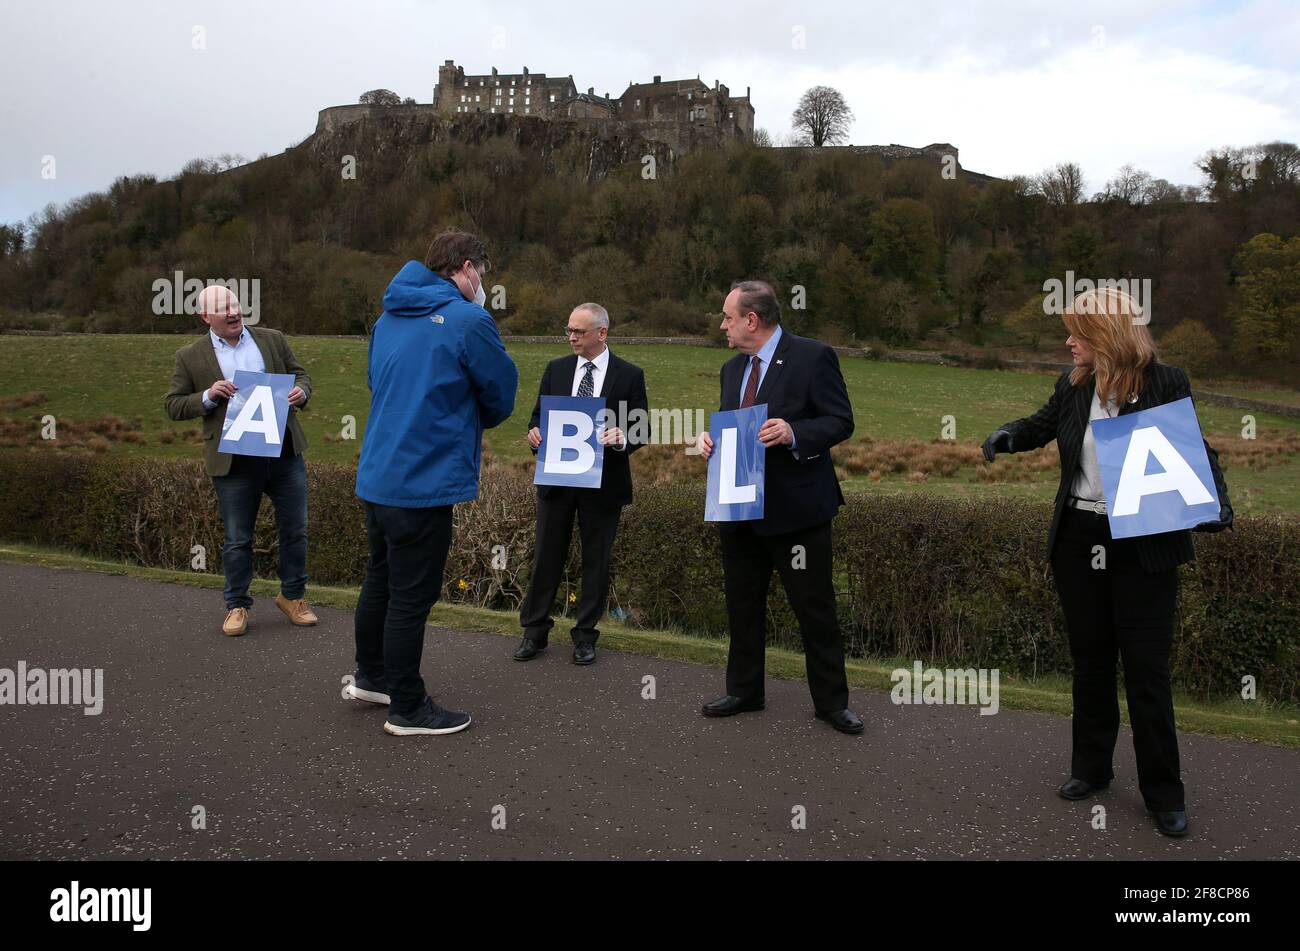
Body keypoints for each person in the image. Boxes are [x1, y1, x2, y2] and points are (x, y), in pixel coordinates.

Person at [980, 286, 1232, 837]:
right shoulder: (1073, 385)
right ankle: (1090, 770)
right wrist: (1007, 436)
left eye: (1078, 332)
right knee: (1091, 663)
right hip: (1078, 538)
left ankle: (1163, 793)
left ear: (1108, 334)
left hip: (1141, 545)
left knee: (1146, 673)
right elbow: (1042, 423)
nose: (1068, 341)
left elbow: (1196, 452)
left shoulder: (1165, 382)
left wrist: (1218, 506)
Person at [347, 229, 517, 737]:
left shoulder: (387, 317)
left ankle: (372, 676)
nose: (482, 284)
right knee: (410, 597)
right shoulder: (469, 319)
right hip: (423, 479)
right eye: (481, 275)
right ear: (466, 268)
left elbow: (377, 384)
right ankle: (408, 706)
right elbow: (501, 393)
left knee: (379, 579)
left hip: (379, 474)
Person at [696, 280, 863, 734]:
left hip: (797, 513)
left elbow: (839, 420)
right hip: (739, 508)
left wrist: (794, 434)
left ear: (752, 320)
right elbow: (734, 425)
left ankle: (831, 703)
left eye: (728, 317)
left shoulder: (813, 356)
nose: (722, 324)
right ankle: (745, 691)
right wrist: (710, 442)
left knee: (814, 608)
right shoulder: (732, 370)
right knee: (742, 604)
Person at [164, 284, 315, 637]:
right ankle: (237, 605)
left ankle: (293, 597)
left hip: (283, 453)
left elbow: (302, 374)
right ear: (205, 317)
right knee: (237, 539)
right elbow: (173, 404)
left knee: (295, 531)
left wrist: (302, 391)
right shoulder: (190, 356)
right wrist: (207, 396)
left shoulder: (272, 339)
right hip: (233, 462)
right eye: (222, 309)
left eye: (234, 304)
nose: (232, 312)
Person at [516, 303, 649, 666]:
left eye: (579, 331)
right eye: (569, 330)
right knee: (546, 557)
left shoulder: (629, 374)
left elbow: (642, 428)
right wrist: (534, 435)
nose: (572, 337)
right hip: (557, 482)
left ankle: (585, 637)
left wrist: (623, 436)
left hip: (604, 485)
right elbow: (536, 419)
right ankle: (535, 632)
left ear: (602, 333)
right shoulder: (556, 369)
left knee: (596, 562)